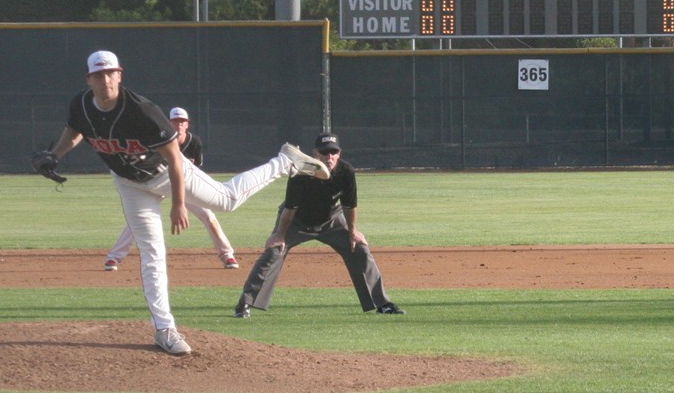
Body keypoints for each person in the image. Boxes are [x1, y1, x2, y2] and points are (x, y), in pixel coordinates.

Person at [34, 50, 330, 356]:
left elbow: (175, 158)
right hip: (130, 184)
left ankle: (284, 161)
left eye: (111, 73)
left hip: (166, 173)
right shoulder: (82, 105)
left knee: (228, 200)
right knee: (152, 254)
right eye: (99, 75)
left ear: (120, 75)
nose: (105, 79)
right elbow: (75, 130)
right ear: (89, 79)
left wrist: (178, 203)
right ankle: (164, 329)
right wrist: (55, 154)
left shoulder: (141, 111)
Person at [233, 132, 403, 318]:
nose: (329, 156)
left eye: (333, 152)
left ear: (339, 153)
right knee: (274, 251)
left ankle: (382, 304)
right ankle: (245, 304)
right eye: (324, 152)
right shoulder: (301, 173)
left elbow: (349, 205)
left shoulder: (346, 171)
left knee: (359, 249)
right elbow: (290, 208)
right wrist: (280, 235)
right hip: (296, 220)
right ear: (315, 154)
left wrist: (352, 231)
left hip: (331, 219)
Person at [104, 107, 239, 272]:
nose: (179, 124)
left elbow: (196, 171)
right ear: (169, 123)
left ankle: (227, 254)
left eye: (182, 121)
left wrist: (185, 198)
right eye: (175, 121)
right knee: (140, 219)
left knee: (208, 216)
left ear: (187, 124)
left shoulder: (194, 142)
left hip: (182, 185)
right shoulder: (160, 138)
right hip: (157, 183)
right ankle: (114, 257)